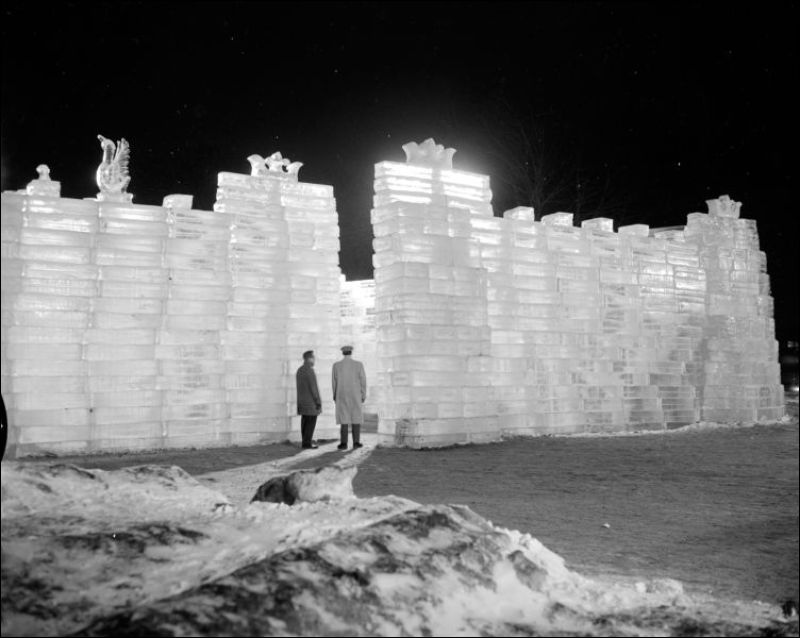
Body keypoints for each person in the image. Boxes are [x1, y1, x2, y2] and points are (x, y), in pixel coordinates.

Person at [332, 345, 367, 450]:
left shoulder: (336, 365)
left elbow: (334, 382)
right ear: (351, 352)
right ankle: (356, 442)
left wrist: (335, 396)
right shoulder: (358, 365)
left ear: (343, 353)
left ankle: (344, 444)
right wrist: (363, 394)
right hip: (355, 395)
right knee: (356, 418)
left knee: (344, 419)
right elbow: (363, 381)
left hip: (342, 395)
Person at [295, 350, 321, 449]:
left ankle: (305, 442)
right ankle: (307, 444)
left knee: (304, 422)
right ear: (309, 359)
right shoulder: (310, 370)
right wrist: (317, 402)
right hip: (311, 403)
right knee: (310, 423)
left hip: (302, 402)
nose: (314, 360)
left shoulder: (300, 370)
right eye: (313, 358)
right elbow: (314, 388)